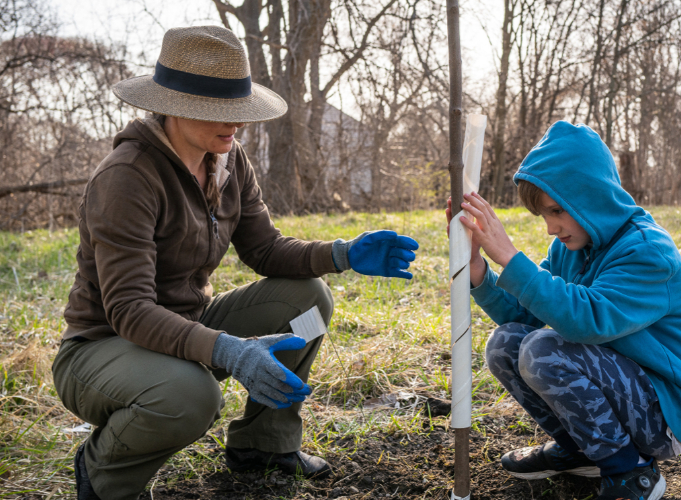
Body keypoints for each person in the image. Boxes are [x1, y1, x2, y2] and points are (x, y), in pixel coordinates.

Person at [52, 26, 419, 500]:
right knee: (193, 397)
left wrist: (342, 253)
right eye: (221, 112)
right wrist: (229, 350)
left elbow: (265, 250)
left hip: (188, 323)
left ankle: (263, 445)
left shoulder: (227, 159)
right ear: (175, 105)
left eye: (239, 111)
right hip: (104, 348)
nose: (237, 124)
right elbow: (129, 310)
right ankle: (106, 477)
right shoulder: (127, 177)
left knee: (306, 299)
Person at [445, 121, 681, 500]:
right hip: (620, 391)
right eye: (543, 216)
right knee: (506, 343)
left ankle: (631, 473)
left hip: (662, 413)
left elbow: (586, 321)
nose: (551, 228)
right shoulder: (571, 249)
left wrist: (508, 255)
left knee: (543, 350)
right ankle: (582, 452)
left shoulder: (648, 251)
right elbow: (528, 317)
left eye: (556, 211)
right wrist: (479, 271)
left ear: (590, 196)